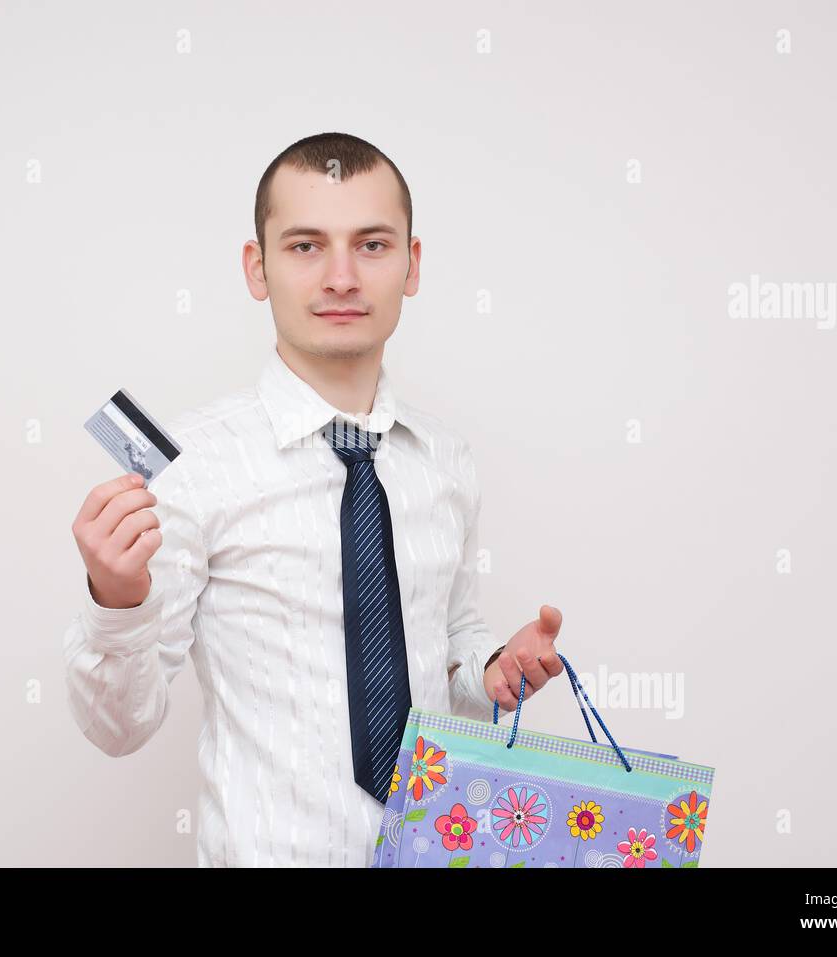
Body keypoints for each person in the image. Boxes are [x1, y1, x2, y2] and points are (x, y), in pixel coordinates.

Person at [63, 132, 566, 867]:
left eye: (371, 244)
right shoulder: (195, 466)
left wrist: (488, 671)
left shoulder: (446, 465)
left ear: (411, 264)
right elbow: (119, 726)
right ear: (256, 266)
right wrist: (116, 596)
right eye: (305, 246)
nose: (340, 277)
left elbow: (444, 655)